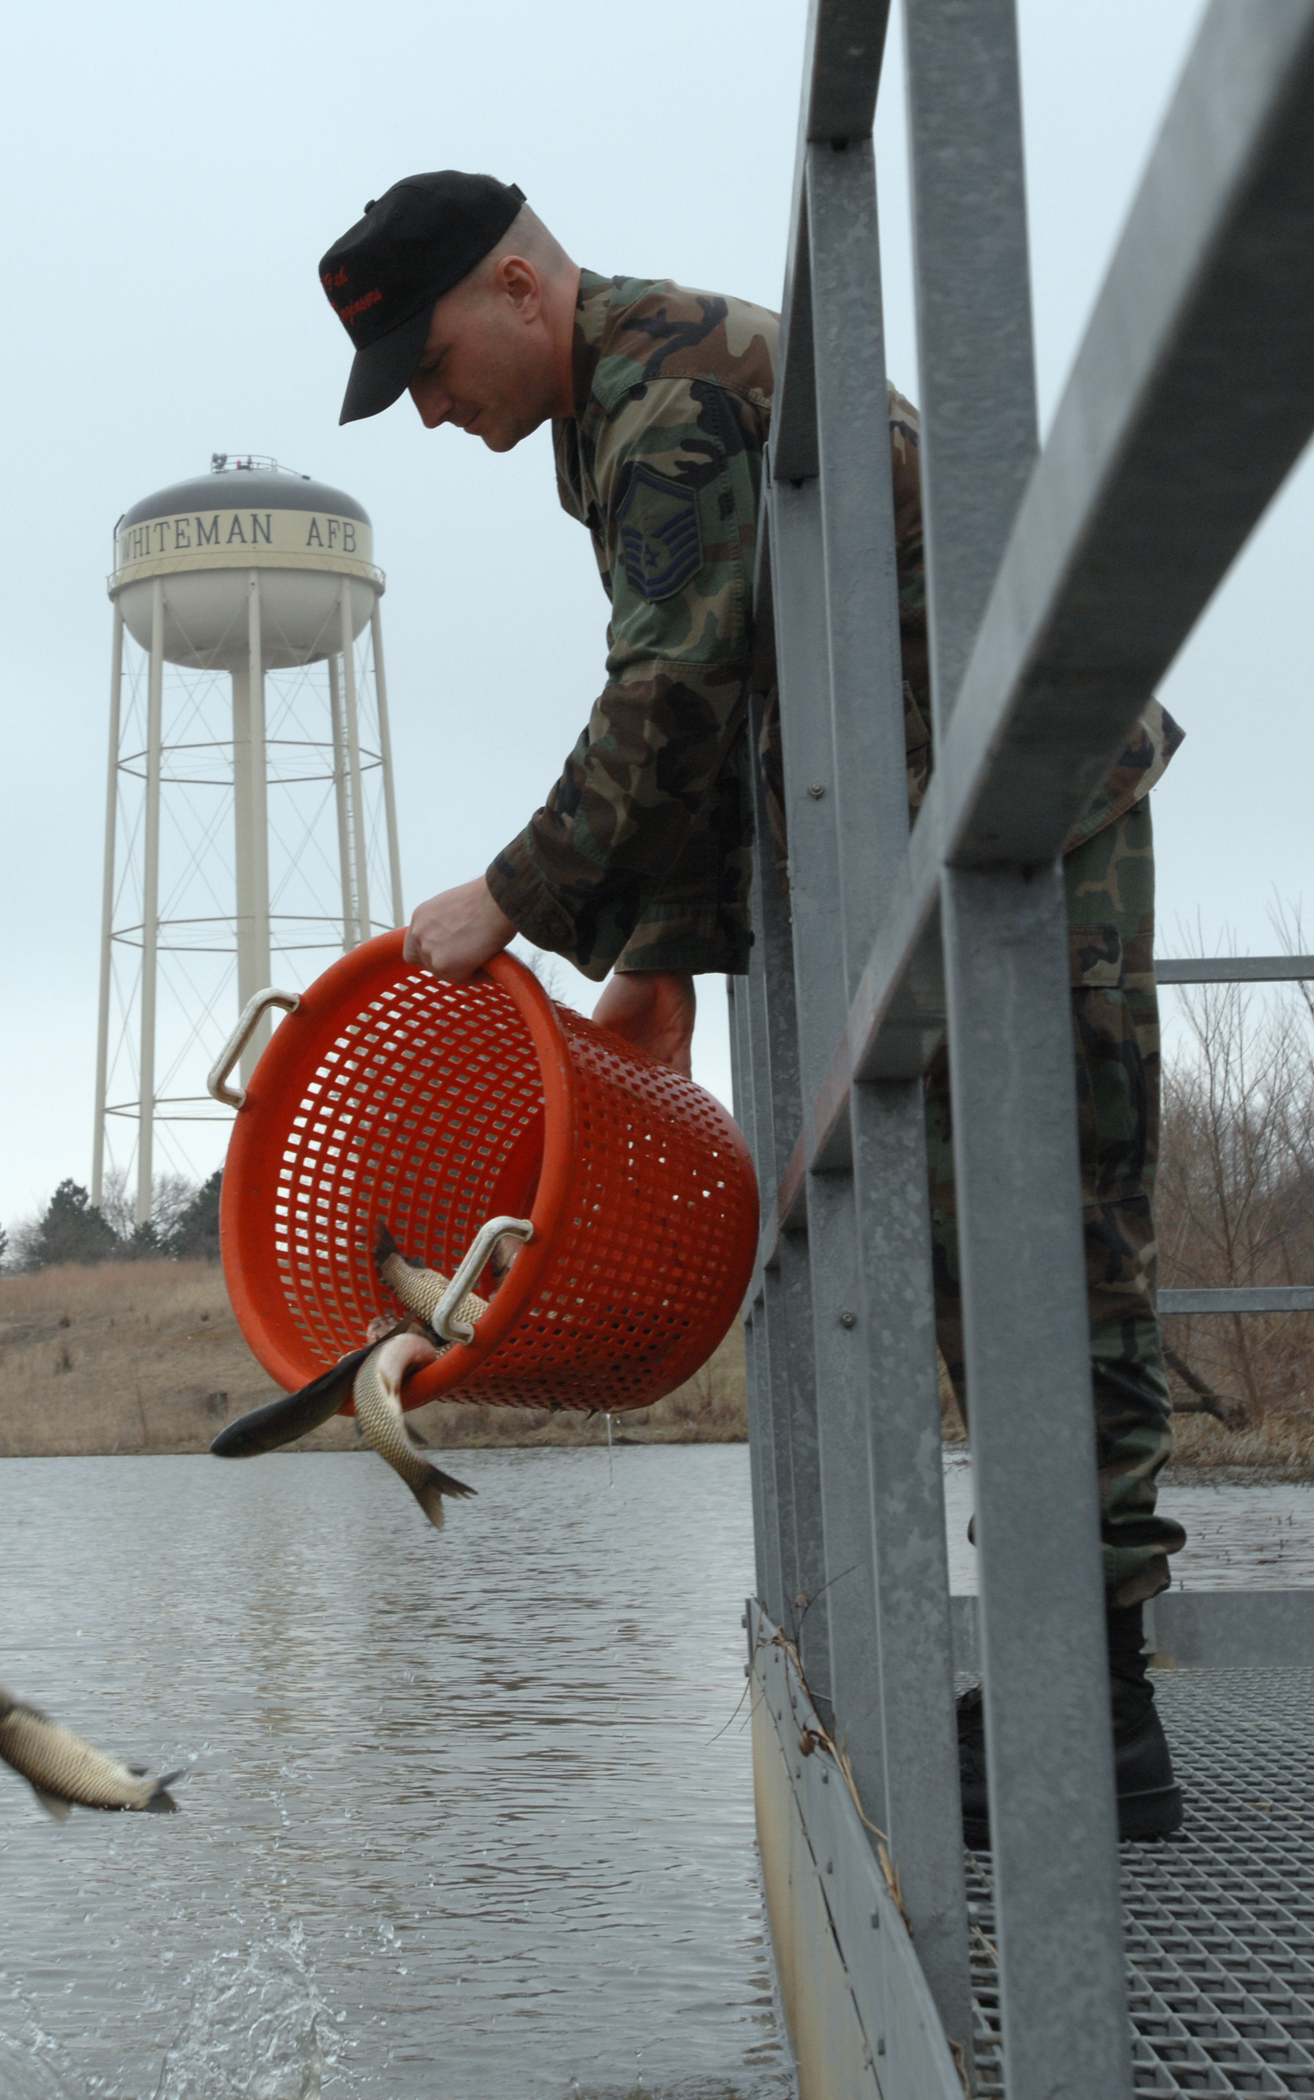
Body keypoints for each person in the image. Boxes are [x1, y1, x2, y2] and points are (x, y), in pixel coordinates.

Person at [317, 170, 1186, 1841]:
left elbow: (669, 697)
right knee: (969, 1246)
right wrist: (655, 956)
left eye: (428, 368)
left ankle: (1103, 1718)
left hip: (1028, 805)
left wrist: (509, 900)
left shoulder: (668, 406)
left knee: (1051, 1236)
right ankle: (1085, 1690)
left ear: (515, 287)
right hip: (945, 825)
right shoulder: (622, 404)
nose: (430, 415)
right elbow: (731, 702)